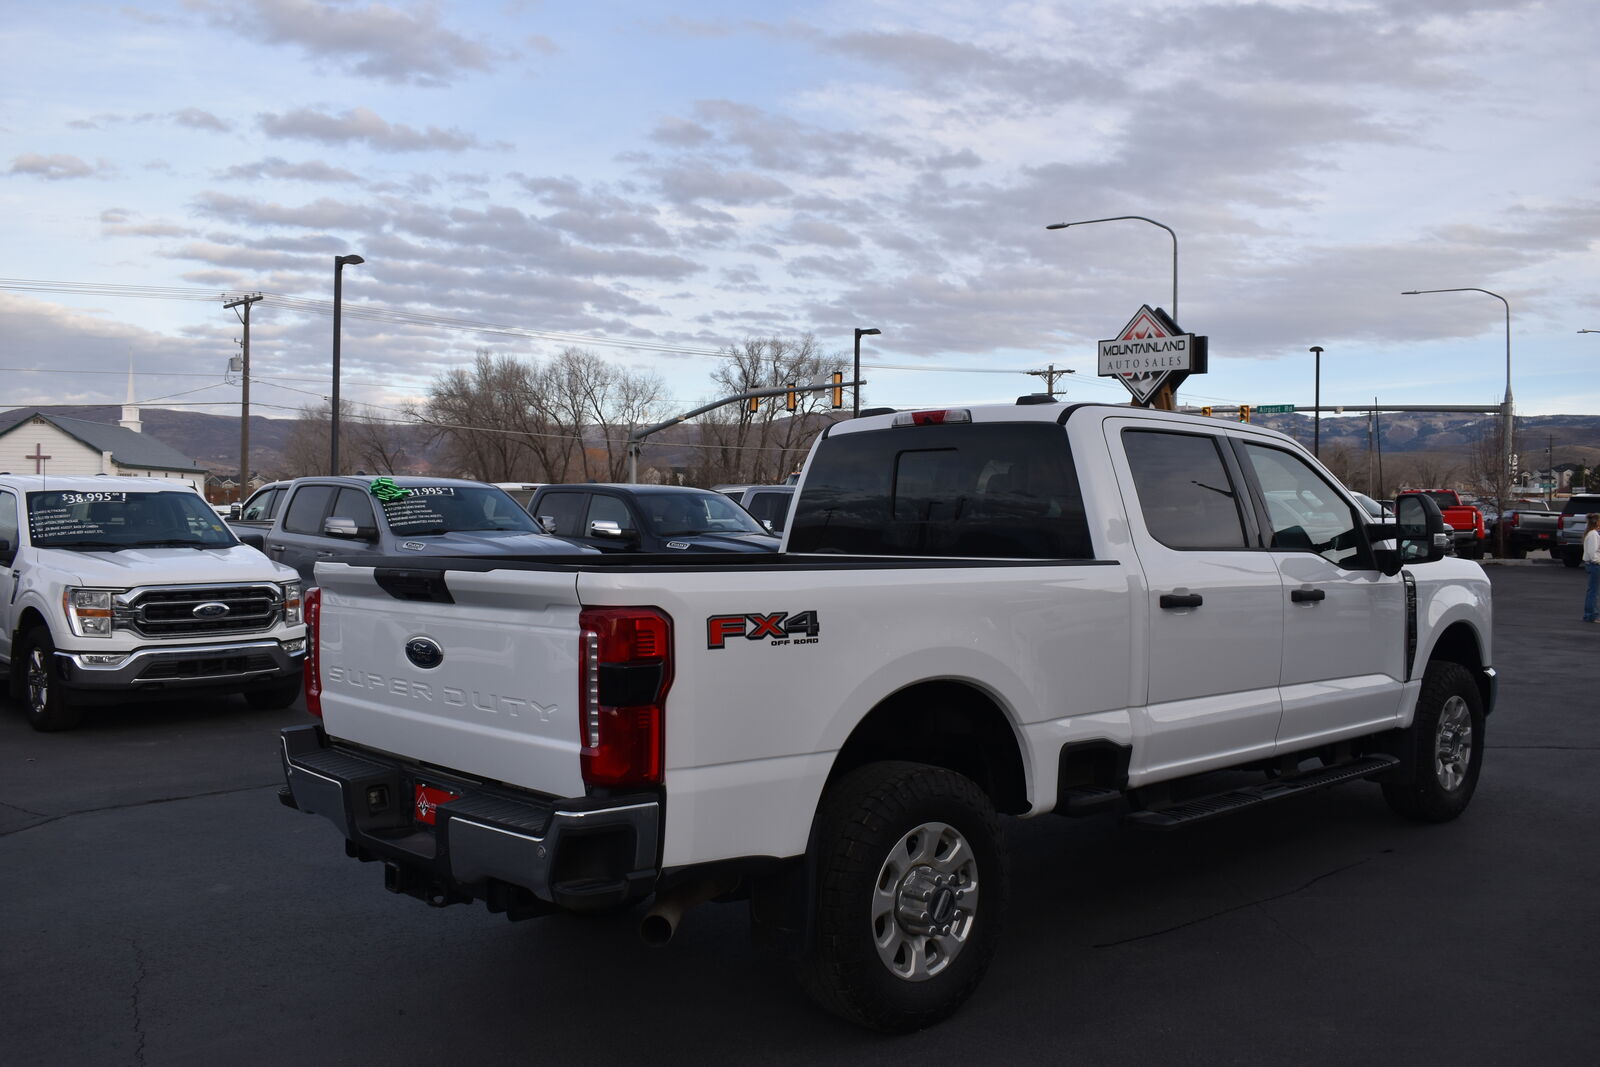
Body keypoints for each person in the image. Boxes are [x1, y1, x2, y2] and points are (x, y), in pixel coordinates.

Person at [1584, 513, 1600, 623]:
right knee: (1594, 592)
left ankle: (1590, 614)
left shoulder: (1591, 533)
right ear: (1597, 522)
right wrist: (1597, 561)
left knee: (1592, 591)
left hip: (1592, 564)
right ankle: (1591, 615)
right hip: (1595, 565)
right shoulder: (1593, 534)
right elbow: (1592, 552)